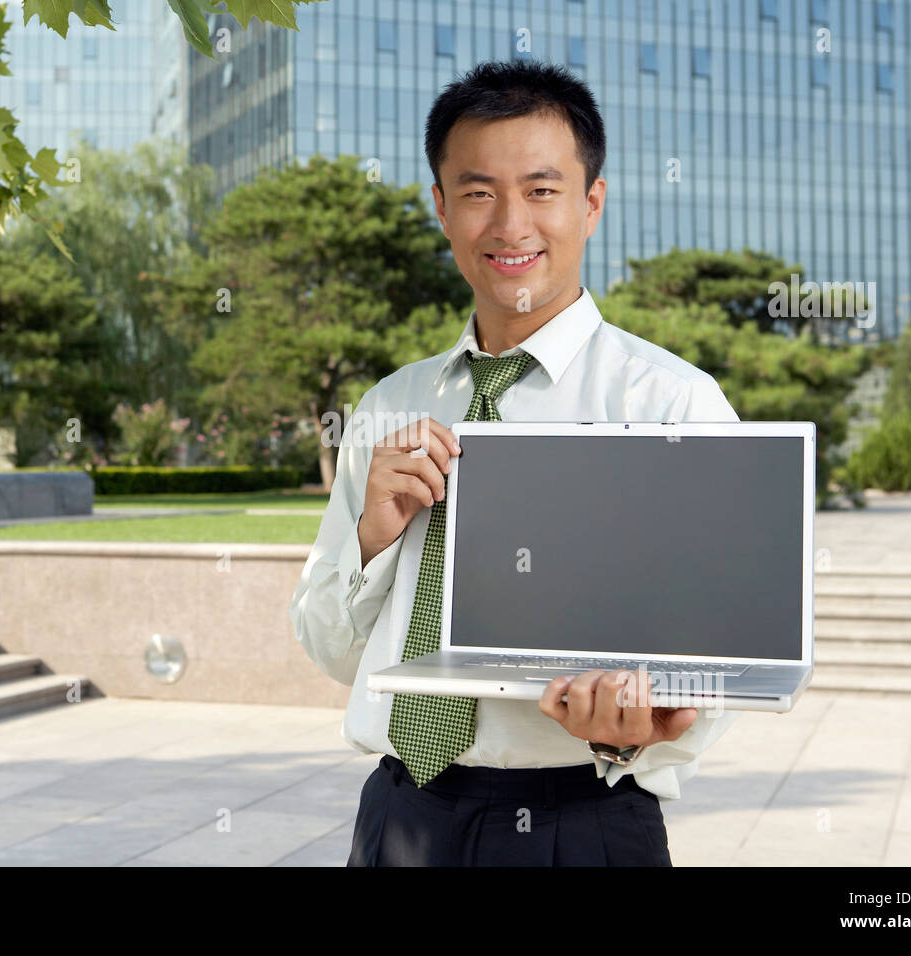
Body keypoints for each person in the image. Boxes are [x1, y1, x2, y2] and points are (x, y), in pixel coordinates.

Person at [288, 59, 742, 866]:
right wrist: (369, 539)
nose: (509, 225)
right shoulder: (391, 404)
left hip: (586, 820)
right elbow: (330, 650)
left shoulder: (673, 406)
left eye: (541, 190)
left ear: (592, 203)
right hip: (400, 817)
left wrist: (637, 731)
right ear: (441, 208)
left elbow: (725, 664)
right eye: (477, 192)